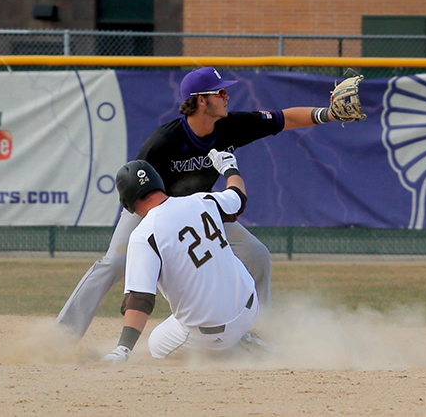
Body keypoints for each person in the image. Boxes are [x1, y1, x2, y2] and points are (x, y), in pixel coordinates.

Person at [58, 67, 355, 338]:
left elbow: (285, 118)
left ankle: (259, 332)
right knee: (114, 263)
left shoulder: (231, 126)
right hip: (151, 210)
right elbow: (135, 183)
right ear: (201, 100)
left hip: (199, 212)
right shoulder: (164, 141)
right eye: (221, 92)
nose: (227, 96)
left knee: (257, 256)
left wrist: (329, 113)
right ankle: (64, 334)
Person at [101, 151, 263, 362]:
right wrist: (229, 168)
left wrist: (123, 349)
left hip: (210, 334)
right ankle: (245, 337)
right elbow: (238, 197)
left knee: (156, 345)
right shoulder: (203, 200)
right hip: (249, 309)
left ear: (127, 203)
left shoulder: (144, 234)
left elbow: (140, 299)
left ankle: (229, 348)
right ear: (159, 184)